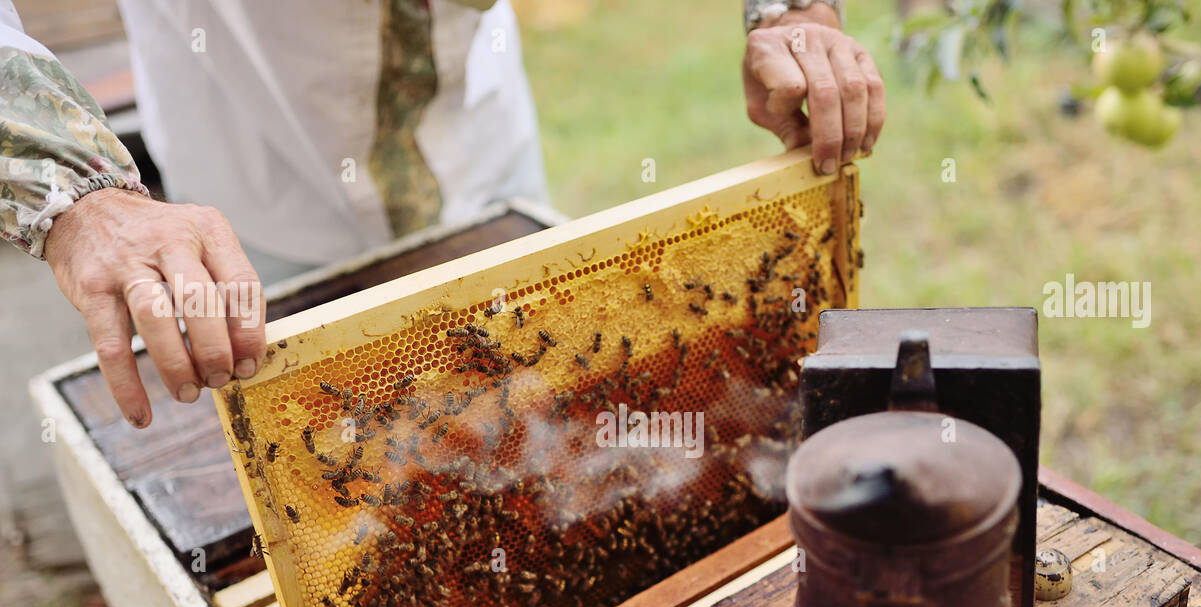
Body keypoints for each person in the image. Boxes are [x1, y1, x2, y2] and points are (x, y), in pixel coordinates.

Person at [1, 0, 883, 428]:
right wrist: (72, 187)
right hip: (250, 170)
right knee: (300, 447)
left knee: (532, 425)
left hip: (479, 147)